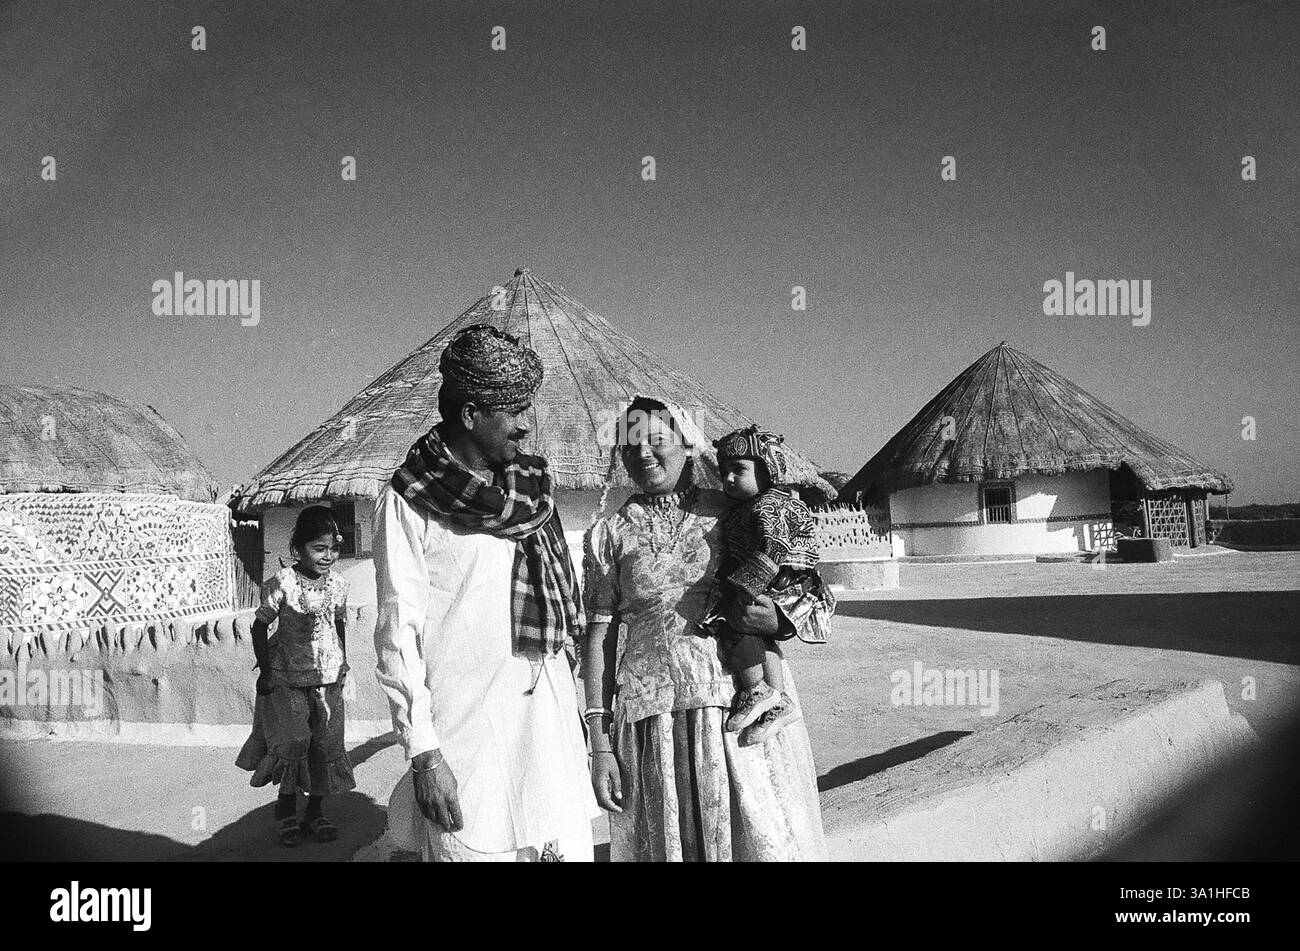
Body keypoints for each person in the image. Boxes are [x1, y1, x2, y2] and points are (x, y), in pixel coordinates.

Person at [373, 324, 599, 863]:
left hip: (546, 729)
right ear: (471, 414)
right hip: (466, 736)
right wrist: (425, 755)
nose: (526, 425)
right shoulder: (409, 501)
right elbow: (397, 633)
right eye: (514, 411)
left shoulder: (533, 488)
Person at [582, 396, 832, 861]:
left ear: (687, 445)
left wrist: (780, 619)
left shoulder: (735, 512)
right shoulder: (608, 534)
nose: (644, 455)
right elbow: (599, 636)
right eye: (630, 446)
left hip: (737, 708)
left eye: (657, 441)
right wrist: (599, 743)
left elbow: (806, 581)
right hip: (648, 720)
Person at [236, 505, 355, 847]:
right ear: (297, 550)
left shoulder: (338, 585)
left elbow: (339, 624)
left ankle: (315, 812)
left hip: (328, 676)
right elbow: (260, 626)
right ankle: (286, 810)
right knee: (293, 743)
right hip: (287, 676)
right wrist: (266, 671)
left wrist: (343, 662)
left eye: (334, 548)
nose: (328, 556)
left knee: (327, 743)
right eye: (319, 549)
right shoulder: (283, 583)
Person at [700, 425, 828, 746]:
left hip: (774, 581)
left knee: (735, 625)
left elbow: (775, 545)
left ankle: (756, 688)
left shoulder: (765, 506)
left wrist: (748, 584)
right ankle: (780, 700)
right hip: (767, 582)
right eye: (724, 471)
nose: (728, 478)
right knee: (760, 637)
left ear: (767, 471)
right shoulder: (745, 508)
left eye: (739, 470)